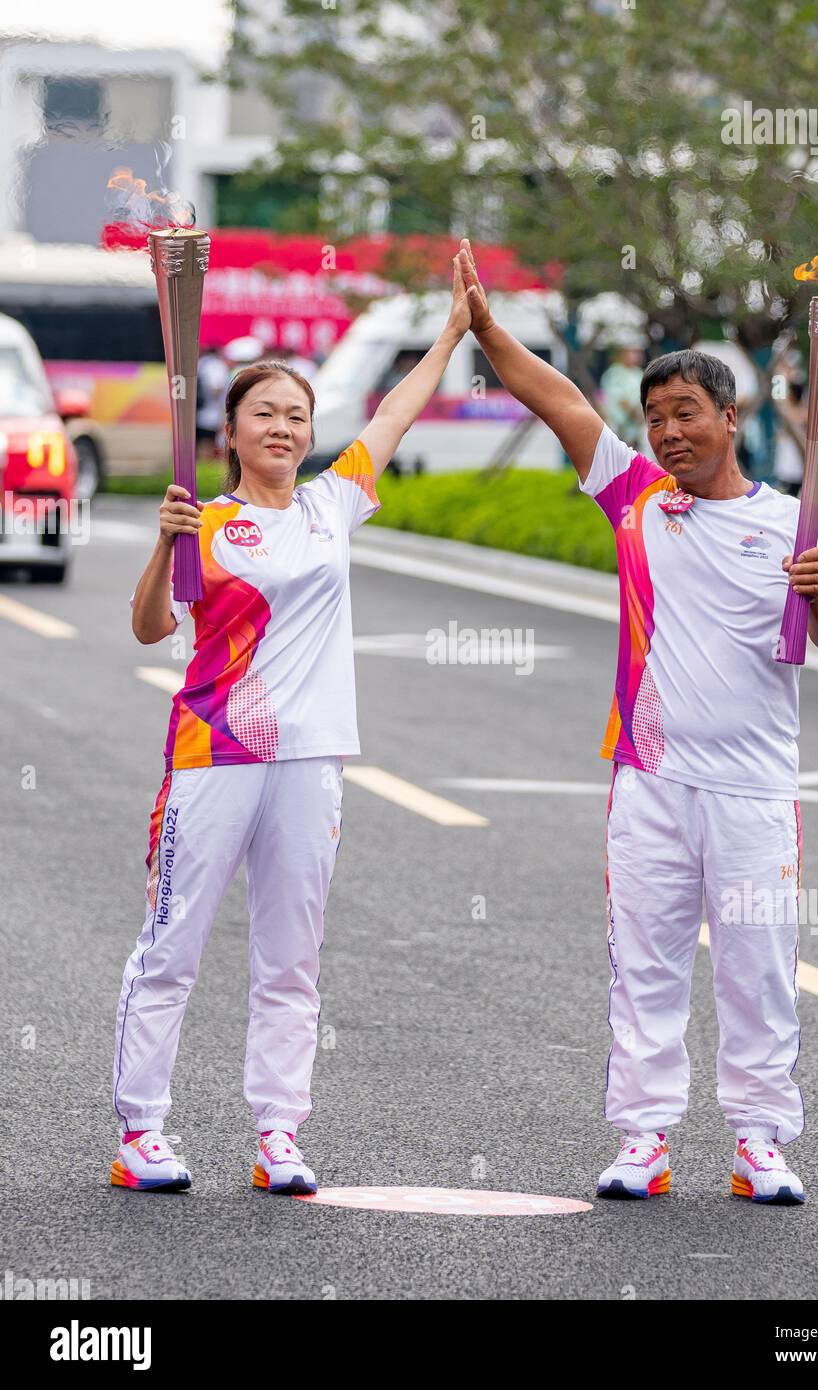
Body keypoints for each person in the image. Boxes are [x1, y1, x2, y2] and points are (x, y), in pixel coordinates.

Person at [456, 238, 818, 1206]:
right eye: (656, 417)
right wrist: (485, 327)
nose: (669, 432)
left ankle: (760, 1140)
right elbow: (559, 404)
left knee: (758, 971)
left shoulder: (797, 526)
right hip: (651, 781)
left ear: (731, 417)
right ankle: (643, 1138)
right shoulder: (638, 502)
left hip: (756, 791)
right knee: (646, 967)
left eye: (687, 414)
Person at [111, 258, 473, 1195]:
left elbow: (393, 413)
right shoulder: (205, 519)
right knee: (174, 942)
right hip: (212, 754)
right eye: (265, 414)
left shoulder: (330, 506)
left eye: (297, 416)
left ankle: (278, 1133)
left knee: (292, 956)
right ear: (229, 431)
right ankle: (141, 1130)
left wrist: (451, 333)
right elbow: (152, 627)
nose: (283, 428)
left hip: (312, 760)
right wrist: (164, 544)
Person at [600, 345, 646, 451]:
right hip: (618, 425)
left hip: (637, 425)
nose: (636, 356)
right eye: (632, 352)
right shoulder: (614, 373)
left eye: (637, 352)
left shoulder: (640, 374)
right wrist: (635, 414)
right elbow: (619, 398)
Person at [773, 379, 806, 498]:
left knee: (792, 476)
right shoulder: (803, 411)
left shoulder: (794, 412)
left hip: (793, 449)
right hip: (788, 448)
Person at [195, 345, 229, 459]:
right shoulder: (216, 365)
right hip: (209, 412)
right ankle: (204, 467)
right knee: (207, 442)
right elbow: (216, 388)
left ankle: (200, 466)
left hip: (196, 410)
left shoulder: (201, 363)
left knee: (199, 442)